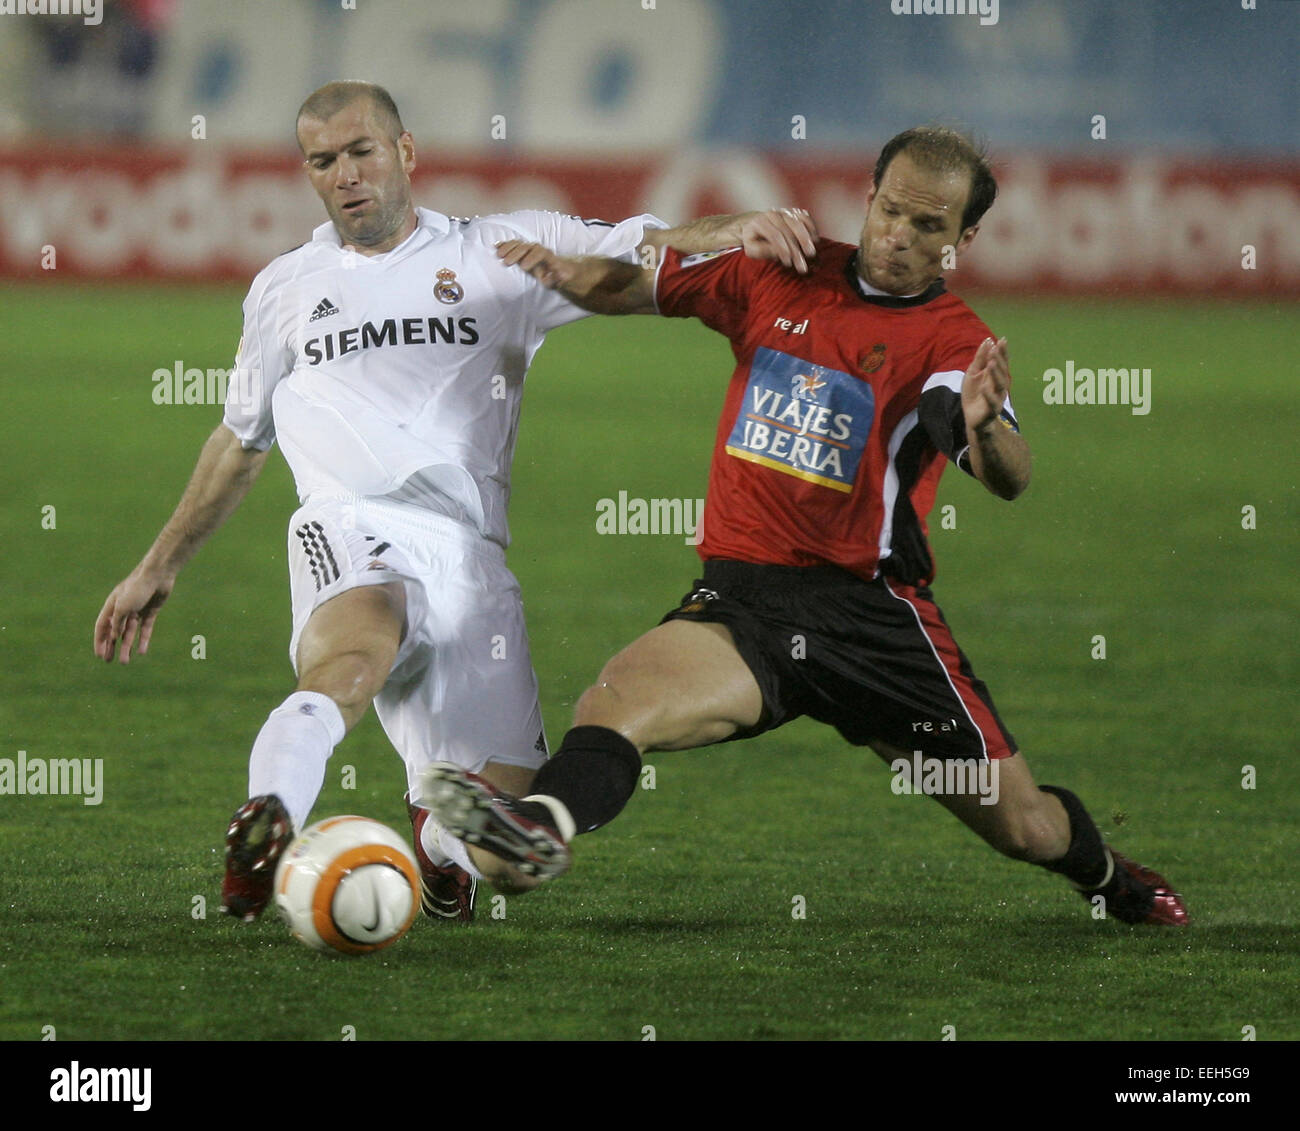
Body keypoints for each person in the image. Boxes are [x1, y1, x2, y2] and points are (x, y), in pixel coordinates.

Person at [420, 125, 1188, 926]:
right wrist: (568, 272)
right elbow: (630, 285)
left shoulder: (953, 343)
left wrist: (987, 425)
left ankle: (1108, 877)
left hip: (872, 622)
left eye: (929, 226)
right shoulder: (778, 271)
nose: (899, 235)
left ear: (965, 238)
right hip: (744, 606)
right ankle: (534, 832)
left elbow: (1008, 476)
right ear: (869, 197)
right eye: (891, 210)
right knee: (613, 701)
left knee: (1025, 828)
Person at [92, 79, 819, 925]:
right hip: (350, 520)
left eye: (362, 151)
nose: (346, 174)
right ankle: (269, 819)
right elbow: (240, 438)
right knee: (353, 656)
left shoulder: (501, 250)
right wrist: (158, 566)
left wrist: (735, 227)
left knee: (510, 846)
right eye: (323, 161)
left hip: (470, 556)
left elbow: (646, 240)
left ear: (406, 153)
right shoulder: (285, 288)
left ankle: (440, 846)